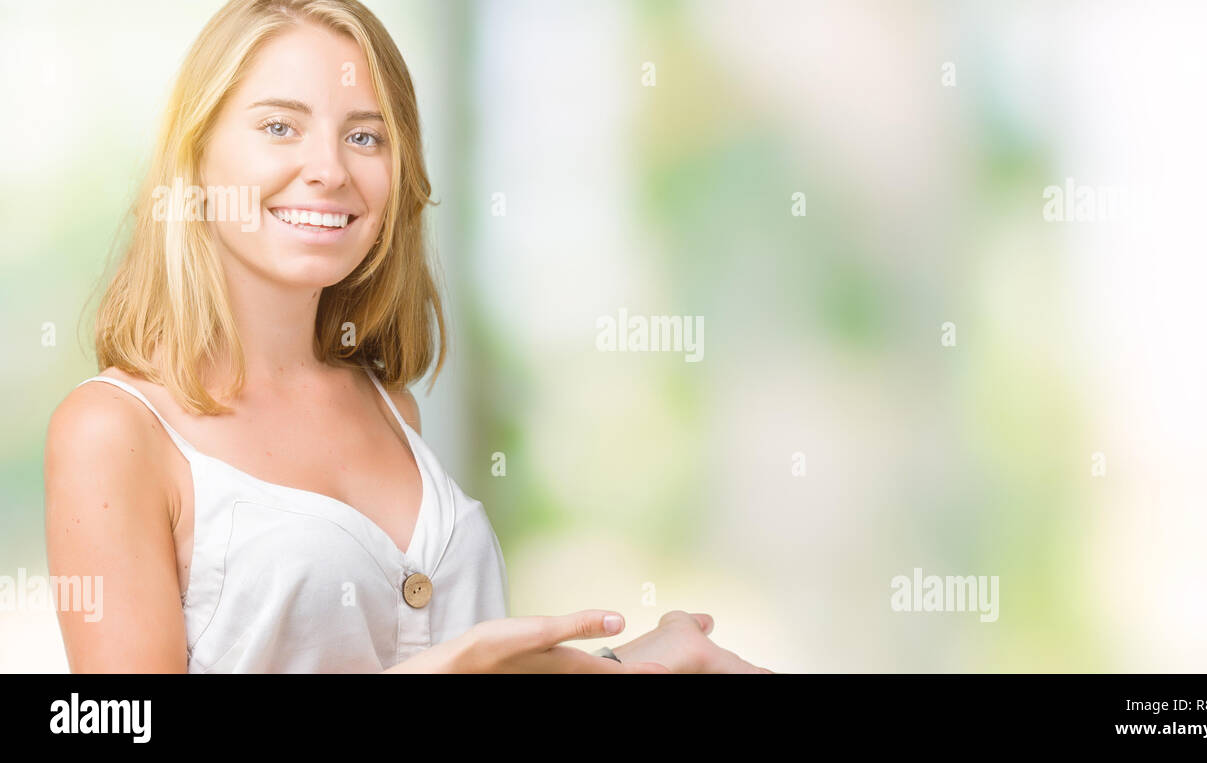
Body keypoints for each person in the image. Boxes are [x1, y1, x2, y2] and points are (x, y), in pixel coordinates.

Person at [43, 0, 771, 674]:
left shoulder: (389, 405)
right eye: (279, 127)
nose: (329, 170)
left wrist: (630, 662)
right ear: (197, 157)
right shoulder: (114, 431)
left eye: (364, 136)